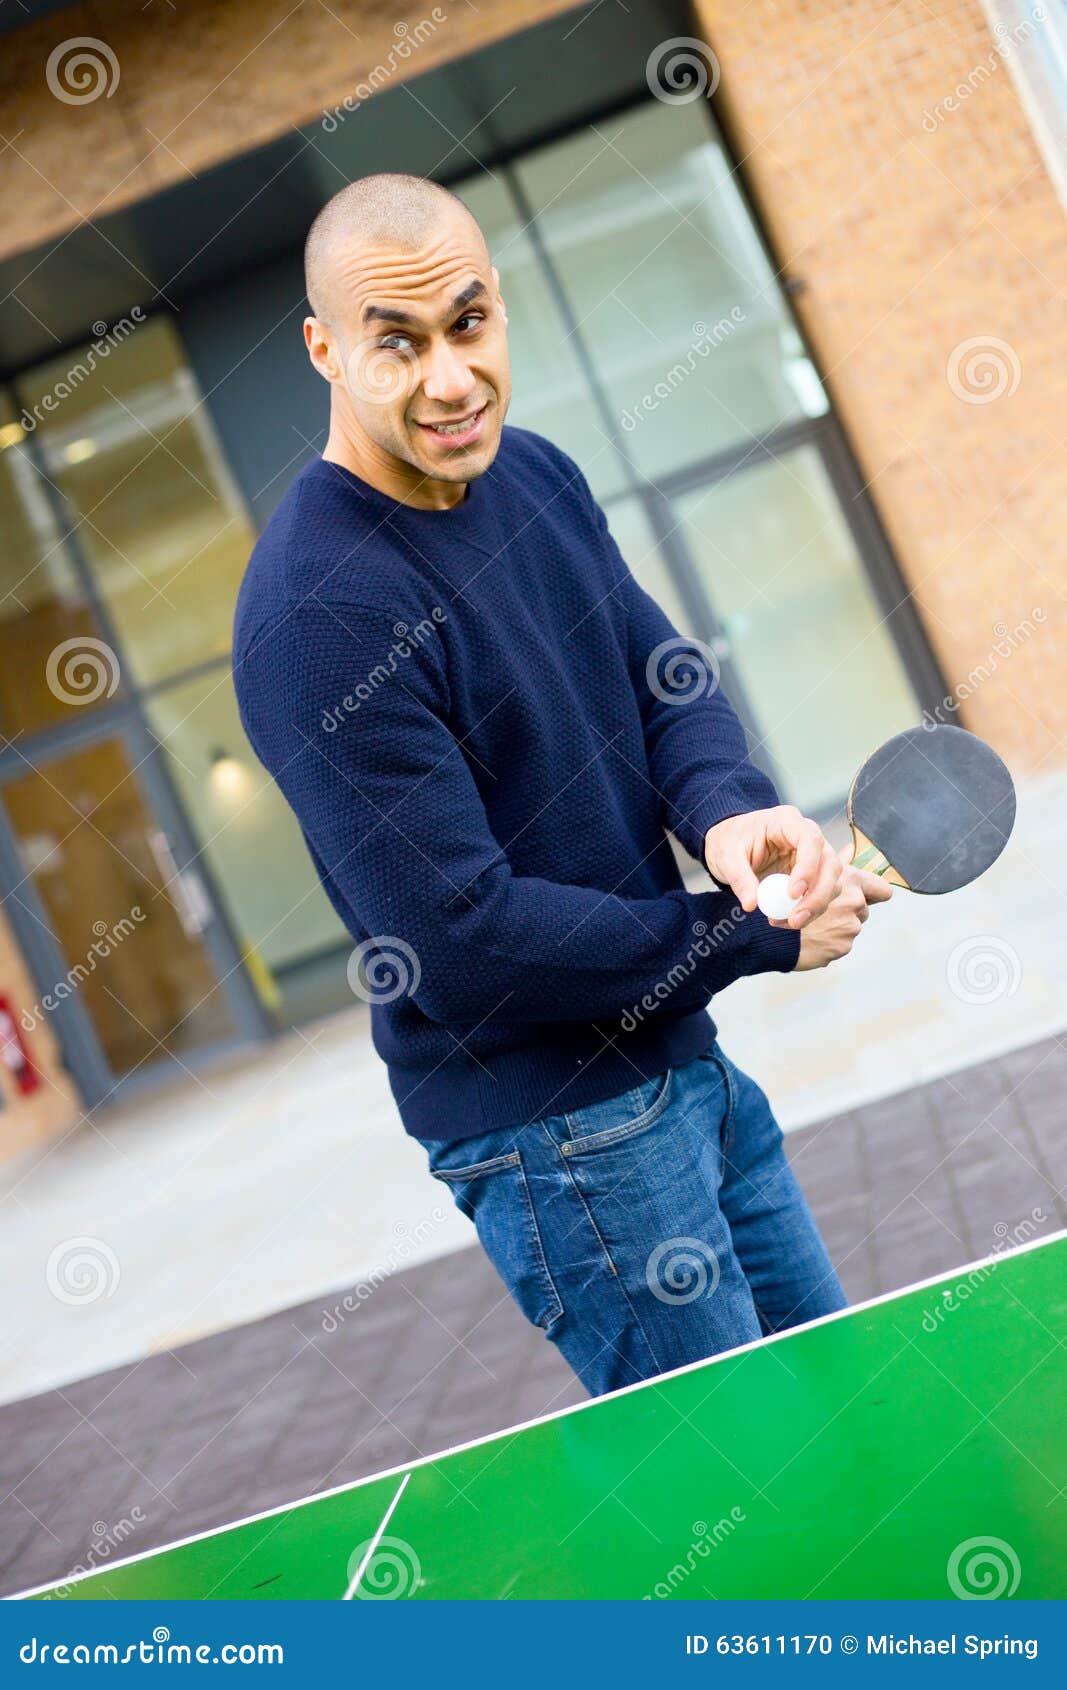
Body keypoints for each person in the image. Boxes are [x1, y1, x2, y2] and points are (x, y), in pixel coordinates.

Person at [233, 173, 890, 1398]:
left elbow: (659, 679)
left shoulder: (530, 475)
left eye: (468, 324)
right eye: (397, 344)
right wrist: (743, 938)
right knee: (734, 1486)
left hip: (677, 1066)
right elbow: (463, 937)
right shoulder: (317, 615)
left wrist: (728, 809)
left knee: (838, 1419)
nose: (448, 378)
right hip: (561, 1139)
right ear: (325, 351)